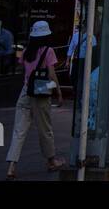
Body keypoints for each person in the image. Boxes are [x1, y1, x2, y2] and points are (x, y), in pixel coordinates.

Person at [5, 21, 65, 180]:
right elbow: (52, 75)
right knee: (45, 128)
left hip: (26, 91)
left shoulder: (26, 52)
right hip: (41, 92)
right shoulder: (49, 51)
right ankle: (51, 161)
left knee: (19, 130)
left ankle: (11, 166)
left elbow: (25, 71)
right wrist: (58, 91)